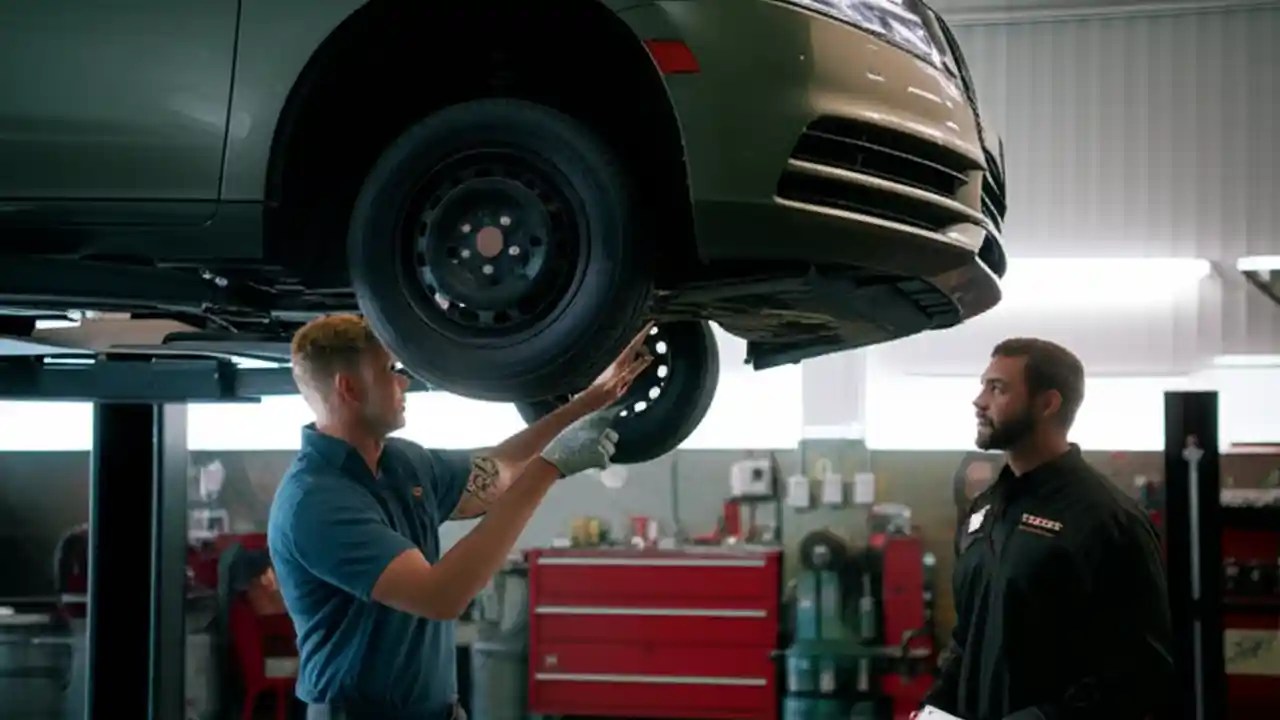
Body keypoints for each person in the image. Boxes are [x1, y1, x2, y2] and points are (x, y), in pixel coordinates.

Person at [267, 313, 654, 720]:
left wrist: (589, 402)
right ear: (349, 389)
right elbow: (441, 595)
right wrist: (550, 467)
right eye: (390, 370)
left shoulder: (402, 462)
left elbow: (500, 467)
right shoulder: (315, 503)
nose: (404, 381)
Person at [921, 338, 1174, 720]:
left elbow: (1142, 673)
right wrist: (937, 710)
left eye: (997, 388)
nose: (979, 401)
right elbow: (968, 637)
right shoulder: (985, 511)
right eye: (983, 386)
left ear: (1047, 403)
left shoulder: (1107, 519)